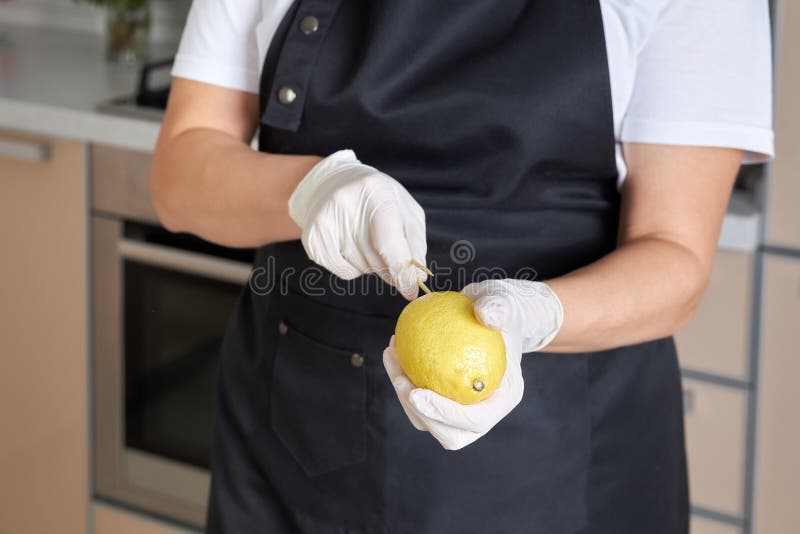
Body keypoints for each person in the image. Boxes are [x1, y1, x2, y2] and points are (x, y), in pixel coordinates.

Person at [150, 0, 774, 532]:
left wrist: (537, 316)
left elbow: (676, 258)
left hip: (558, 450)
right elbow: (179, 178)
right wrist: (314, 186)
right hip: (296, 431)